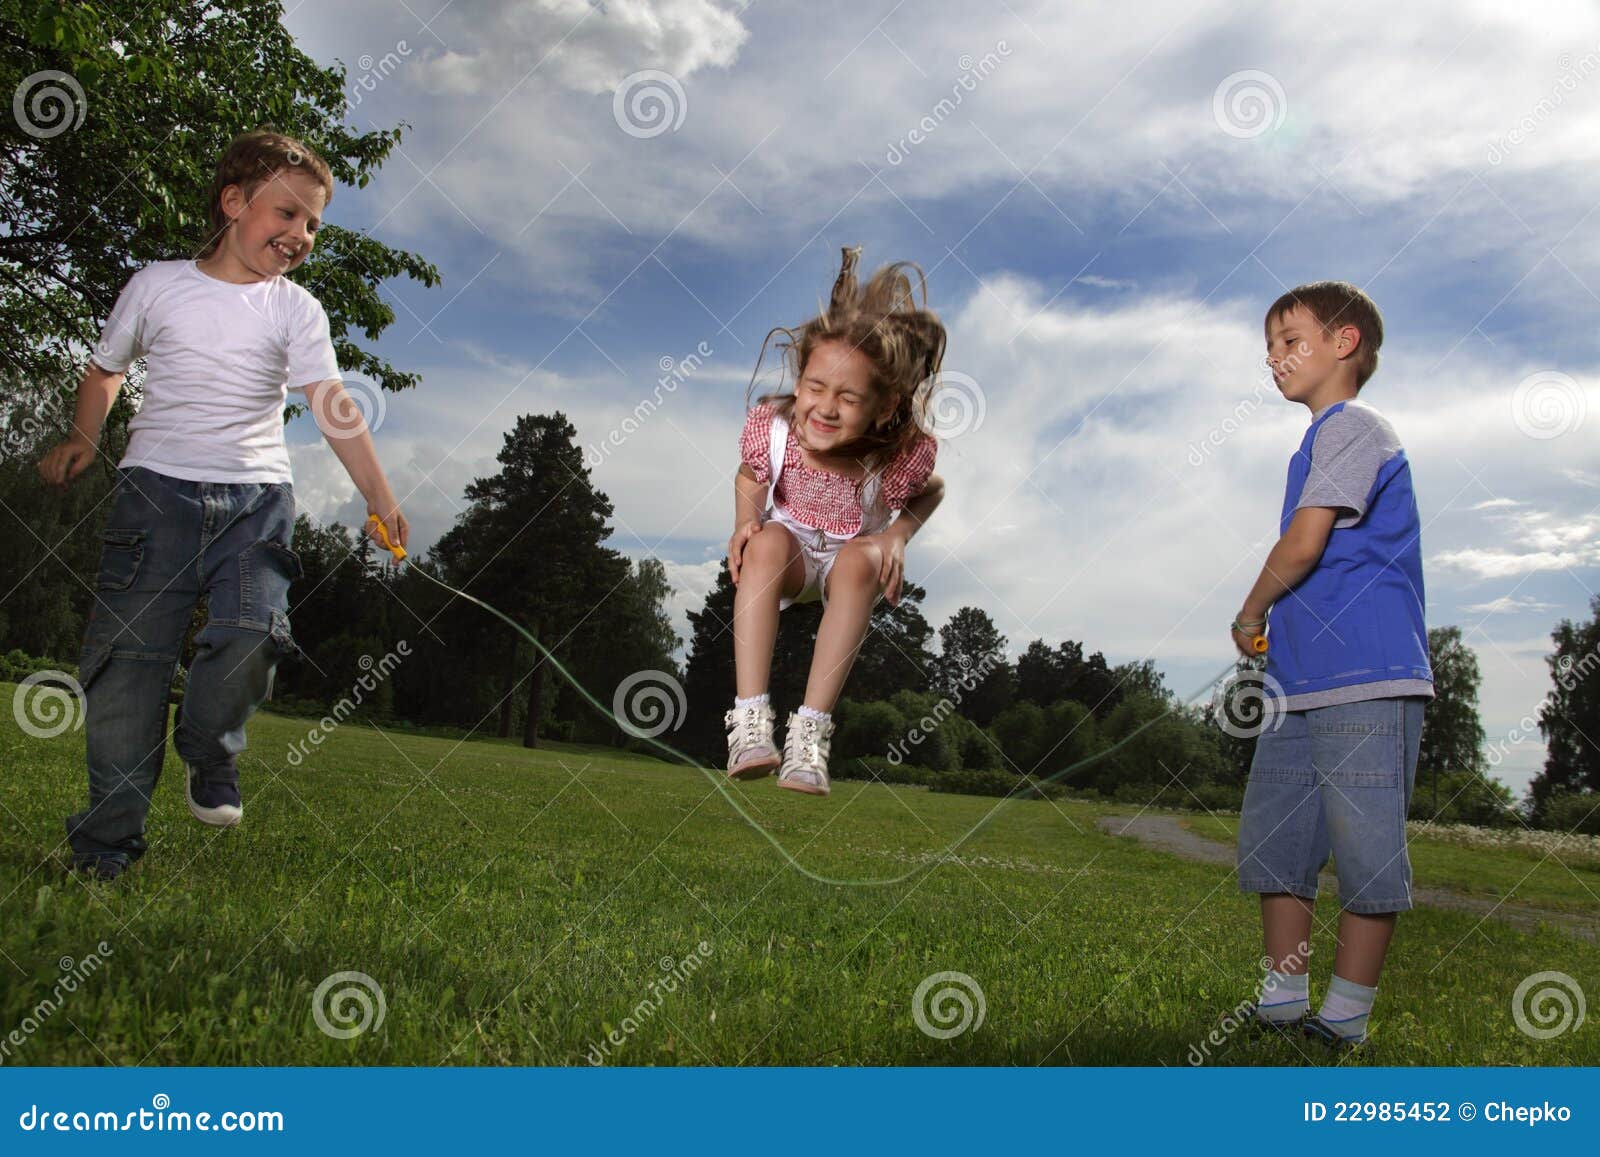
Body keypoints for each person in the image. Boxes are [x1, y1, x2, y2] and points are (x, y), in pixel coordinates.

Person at [36, 130, 410, 879]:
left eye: (313, 224)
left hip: (257, 502)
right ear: (234, 203)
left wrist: (379, 493)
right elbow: (106, 369)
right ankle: (105, 848)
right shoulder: (157, 285)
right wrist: (85, 432)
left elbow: (330, 401)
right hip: (155, 496)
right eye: (288, 214)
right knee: (127, 671)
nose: (300, 235)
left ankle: (209, 752)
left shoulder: (296, 311)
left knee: (252, 634)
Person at [1229, 280, 1433, 1048]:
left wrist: (1250, 613)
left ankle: (1344, 1018)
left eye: (1291, 341)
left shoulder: (1356, 428)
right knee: (1276, 840)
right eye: (1271, 347)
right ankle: (1282, 999)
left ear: (1344, 343)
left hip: (1368, 679)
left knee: (1364, 848)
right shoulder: (1315, 441)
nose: (1275, 358)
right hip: (1299, 683)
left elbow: (1304, 544)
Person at [724, 247, 947, 797]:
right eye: (817, 388)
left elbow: (931, 492)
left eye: (848, 398)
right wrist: (744, 522)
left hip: (850, 560)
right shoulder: (773, 430)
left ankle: (809, 738)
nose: (826, 408)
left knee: (859, 558)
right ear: (800, 382)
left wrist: (895, 536)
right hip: (793, 558)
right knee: (769, 541)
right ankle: (750, 721)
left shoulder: (894, 458)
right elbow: (751, 475)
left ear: (885, 406)